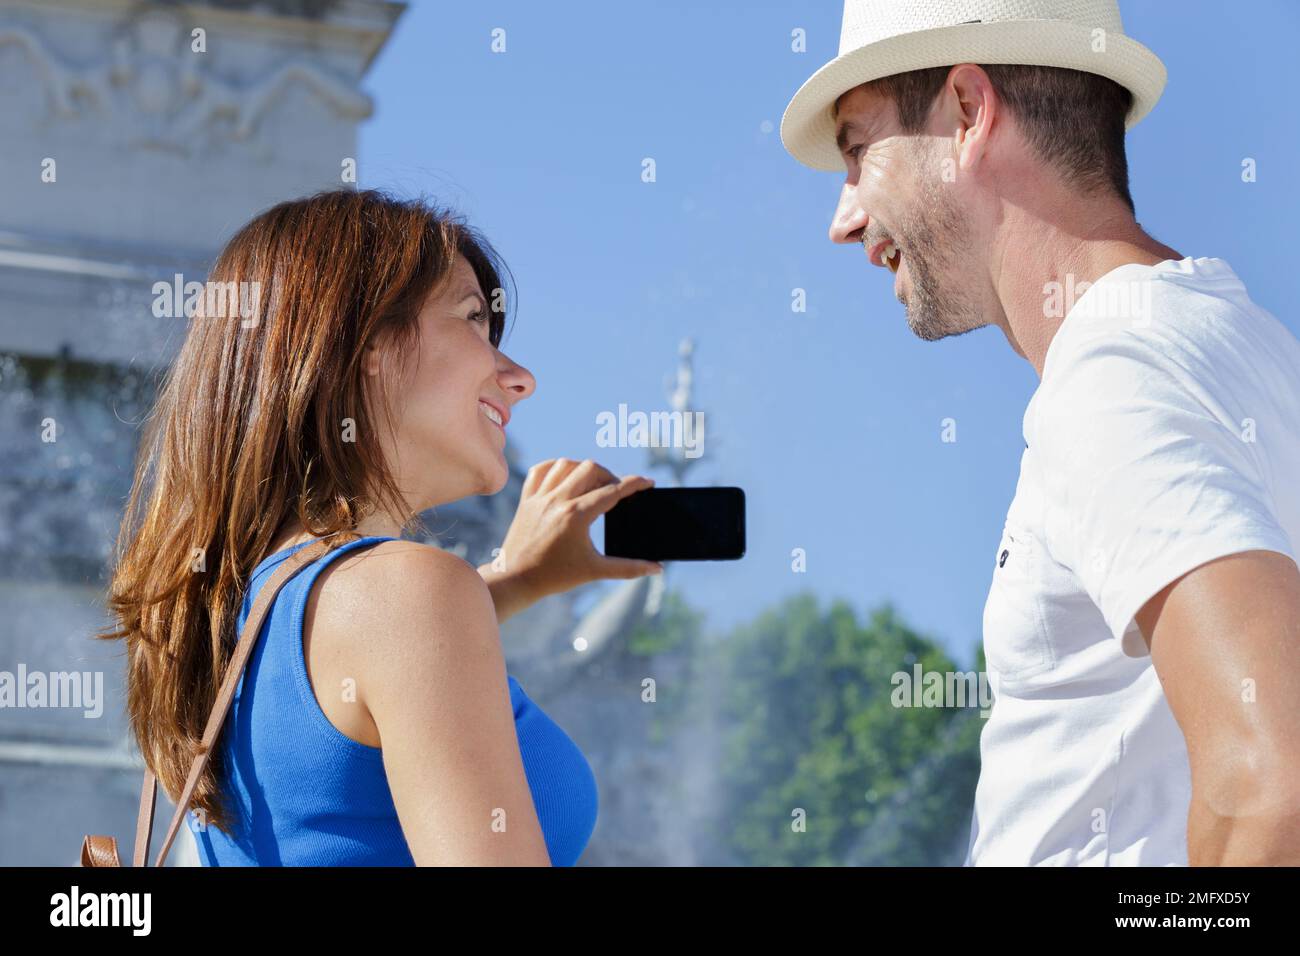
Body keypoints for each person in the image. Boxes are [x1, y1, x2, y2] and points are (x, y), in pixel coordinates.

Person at [781, 0, 1300, 864]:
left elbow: (1272, 789)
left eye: (858, 150)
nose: (843, 219)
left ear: (968, 112)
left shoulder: (1115, 374)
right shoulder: (1248, 348)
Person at [97, 188, 663, 865]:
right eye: (473, 321)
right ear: (364, 340)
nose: (520, 378)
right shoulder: (408, 592)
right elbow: (392, 627)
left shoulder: (227, 612)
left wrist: (511, 579)